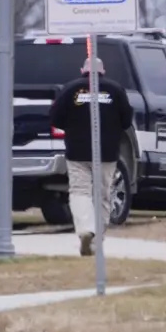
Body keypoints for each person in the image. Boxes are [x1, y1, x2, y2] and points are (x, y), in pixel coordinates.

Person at [48, 62, 133, 256]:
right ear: (103, 71)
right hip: (107, 152)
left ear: (82, 71)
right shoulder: (115, 89)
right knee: (103, 194)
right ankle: (97, 239)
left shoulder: (70, 89)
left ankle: (86, 229)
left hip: (77, 151)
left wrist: (72, 126)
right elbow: (127, 120)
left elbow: (54, 118)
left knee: (80, 191)